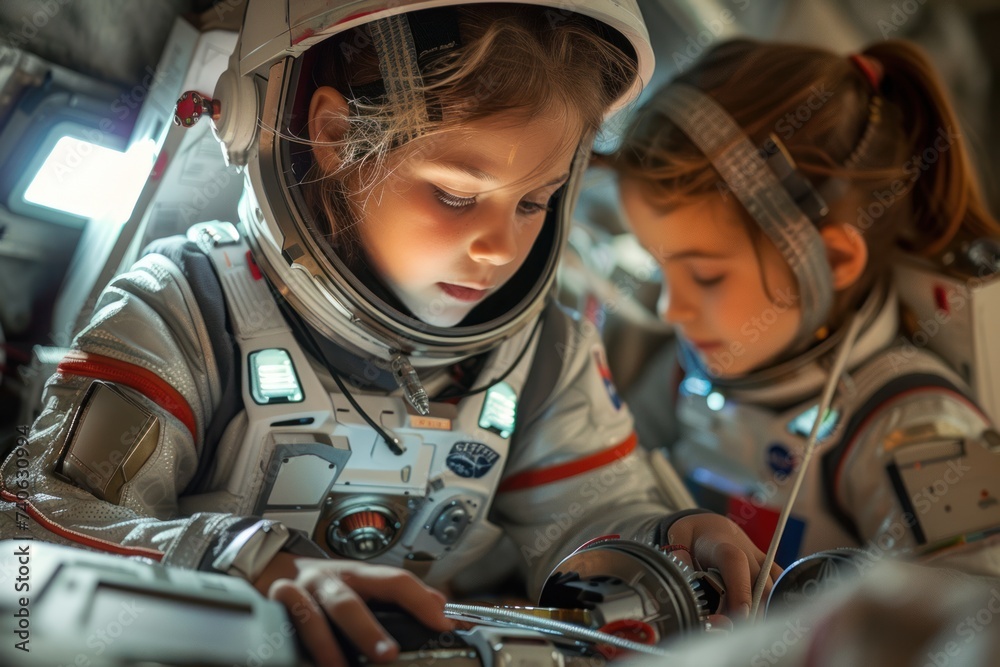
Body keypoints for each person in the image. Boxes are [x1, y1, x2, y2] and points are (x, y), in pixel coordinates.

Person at [0, 3, 778, 666]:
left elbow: (588, 519)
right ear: (334, 136)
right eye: (456, 195)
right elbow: (29, 536)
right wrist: (235, 561)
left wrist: (667, 544)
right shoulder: (188, 311)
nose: (500, 247)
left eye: (533, 202)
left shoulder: (545, 356)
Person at [613, 37, 1000, 577]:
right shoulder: (691, 364)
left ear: (833, 258)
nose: (670, 309)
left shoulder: (920, 431)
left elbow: (975, 613)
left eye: (706, 275)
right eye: (660, 267)